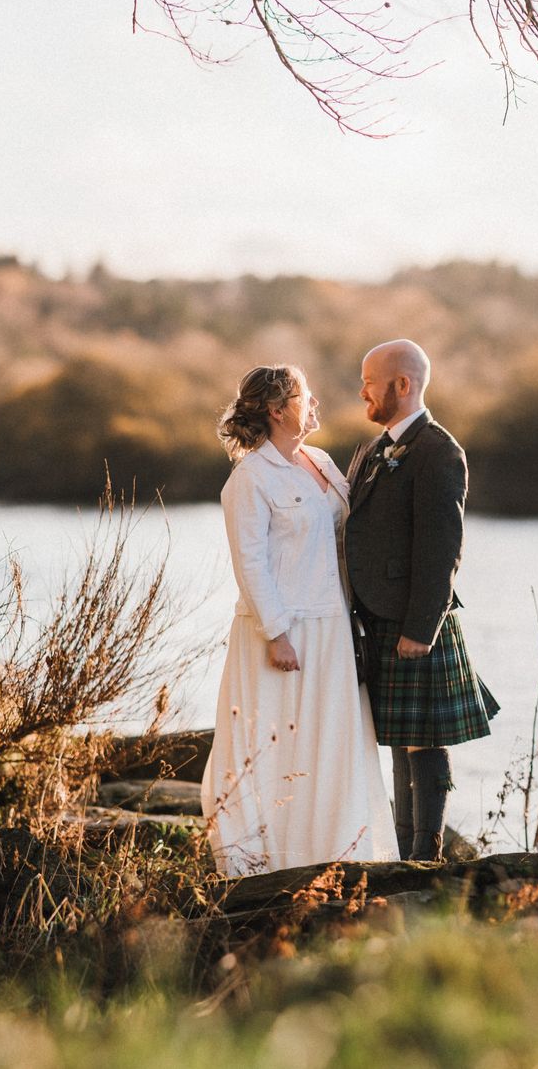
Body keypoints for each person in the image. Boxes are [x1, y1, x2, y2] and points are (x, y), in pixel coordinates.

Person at [199, 364, 395, 875]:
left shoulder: (322, 462)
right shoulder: (250, 478)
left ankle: (335, 853)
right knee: (277, 741)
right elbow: (250, 563)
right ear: (277, 409)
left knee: (332, 739)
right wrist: (277, 633)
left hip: (332, 625)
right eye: (305, 398)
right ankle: (262, 862)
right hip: (282, 634)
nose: (314, 405)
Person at [343, 339, 499, 861]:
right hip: (376, 615)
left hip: (414, 619)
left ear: (402, 385)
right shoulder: (370, 449)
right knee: (397, 740)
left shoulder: (439, 451)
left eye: (370, 380)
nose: (362, 389)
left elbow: (442, 550)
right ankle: (402, 849)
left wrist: (421, 626)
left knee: (425, 741)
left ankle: (427, 854)